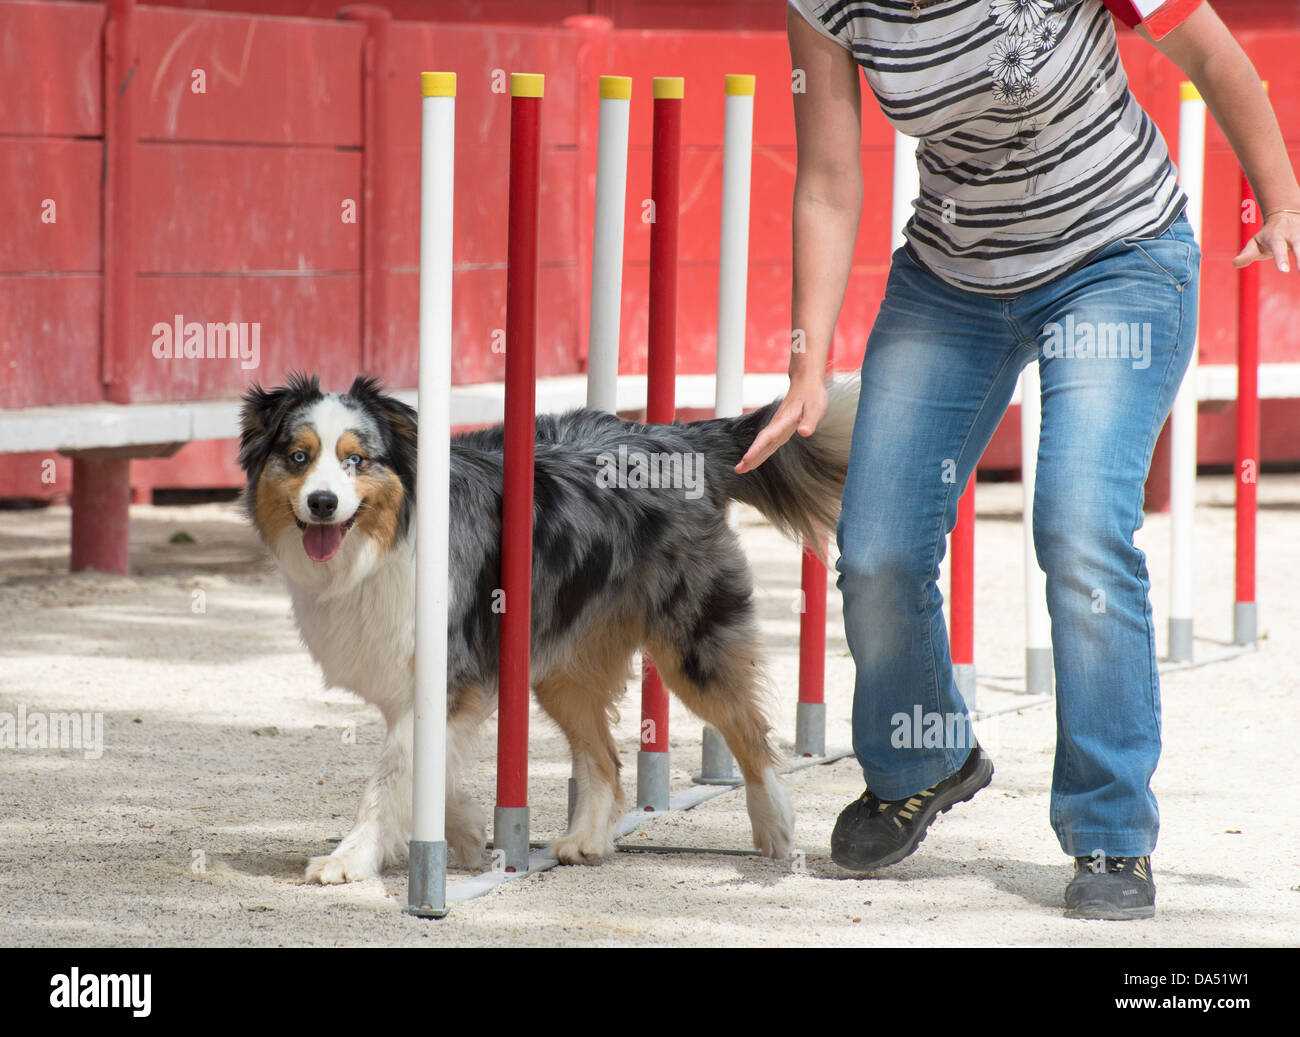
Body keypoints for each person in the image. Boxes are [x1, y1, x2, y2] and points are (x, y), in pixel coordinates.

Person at [737, 0, 1299, 919]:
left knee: (1079, 521)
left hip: (1117, 256)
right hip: (953, 279)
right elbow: (831, 181)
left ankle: (1111, 829)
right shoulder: (824, 5)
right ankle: (925, 760)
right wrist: (808, 364)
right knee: (876, 546)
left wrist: (1281, 200)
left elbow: (1212, 50)